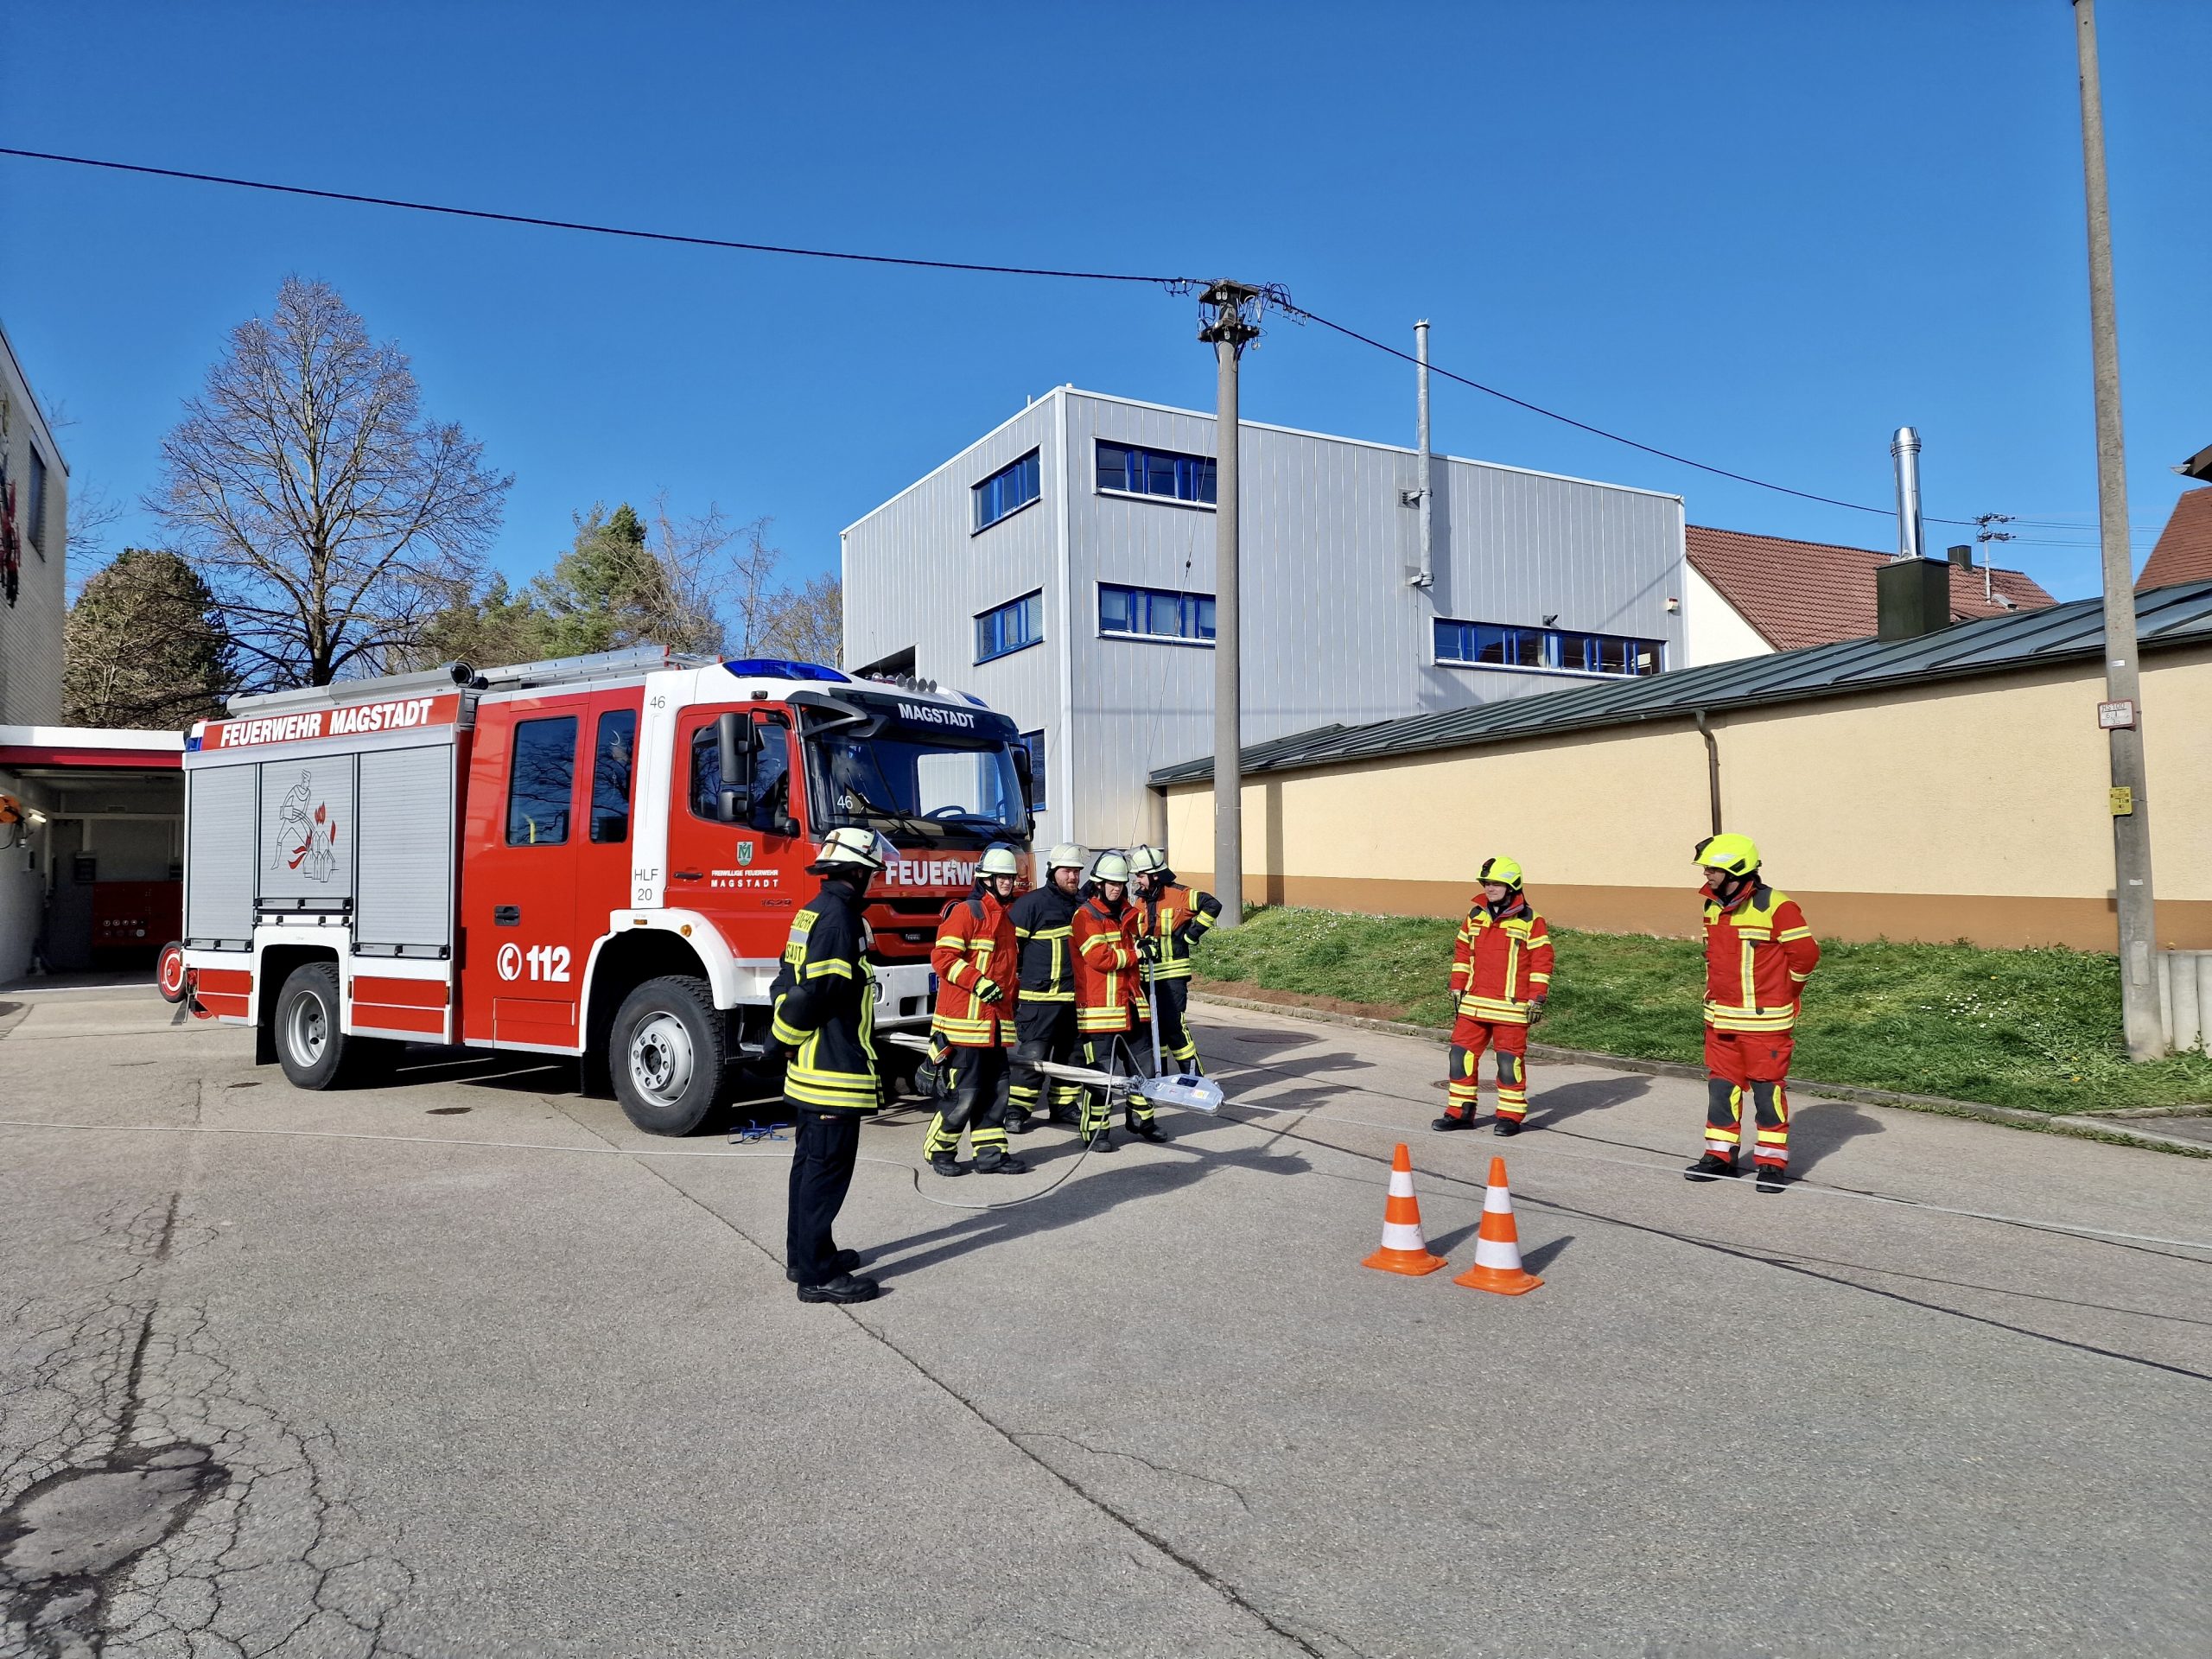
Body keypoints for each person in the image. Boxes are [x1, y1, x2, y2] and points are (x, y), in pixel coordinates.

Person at [772, 826, 892, 1305]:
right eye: (871, 873)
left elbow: (785, 980)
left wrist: (784, 1041)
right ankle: (818, 1276)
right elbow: (814, 994)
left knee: (808, 1169)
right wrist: (782, 1040)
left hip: (812, 1068)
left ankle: (805, 1255)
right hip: (832, 1071)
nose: (874, 880)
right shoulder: (840, 920)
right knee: (825, 1175)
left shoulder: (812, 911)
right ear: (857, 873)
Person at [1684, 834, 1821, 1193]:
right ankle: (1719, 1156)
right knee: (1721, 1090)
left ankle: (1771, 1164)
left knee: (1766, 1093)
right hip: (1720, 1019)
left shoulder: (1777, 906)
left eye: (1712, 868)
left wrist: (1787, 992)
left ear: (1736, 869)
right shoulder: (1713, 905)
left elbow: (1806, 956)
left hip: (1765, 1023)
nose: (1706, 874)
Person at [922, 843, 1027, 1177]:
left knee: (997, 1093)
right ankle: (939, 1151)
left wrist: (1016, 1002)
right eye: (1001, 877)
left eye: (1010, 878)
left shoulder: (1006, 920)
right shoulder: (967, 912)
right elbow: (942, 958)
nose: (1007, 883)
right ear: (986, 879)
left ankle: (991, 1155)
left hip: (995, 1026)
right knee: (963, 1095)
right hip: (964, 1025)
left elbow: (1007, 975)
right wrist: (978, 982)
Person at [1432, 856, 1553, 1138]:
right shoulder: (1475, 915)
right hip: (1474, 1003)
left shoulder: (1531, 921)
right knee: (1459, 1057)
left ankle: (1510, 1116)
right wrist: (1457, 986)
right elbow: (1463, 953)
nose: (1489, 888)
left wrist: (1537, 997)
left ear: (1513, 886)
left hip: (1511, 1007)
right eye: (1486, 883)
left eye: (1496, 883)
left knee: (1509, 1064)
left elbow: (1542, 961)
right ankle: (1459, 1113)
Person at [1071, 851, 1157, 1147]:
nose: (1116, 889)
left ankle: (1143, 1121)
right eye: (1111, 883)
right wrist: (1138, 953)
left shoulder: (1128, 914)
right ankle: (1097, 1132)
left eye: (1120, 884)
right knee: (1101, 1078)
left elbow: (1136, 944)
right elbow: (1100, 958)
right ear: (1098, 884)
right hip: (1100, 1012)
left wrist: (1145, 942)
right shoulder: (1085, 916)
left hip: (1131, 1006)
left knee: (1144, 1070)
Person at [1007, 843, 1088, 1133]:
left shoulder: (1082, 906)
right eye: (1067, 871)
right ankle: (1017, 1110)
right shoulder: (1031, 904)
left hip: (1074, 999)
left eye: (1076, 871)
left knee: (1072, 1056)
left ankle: (1064, 1105)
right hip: (1039, 999)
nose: (1073, 877)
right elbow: (1010, 951)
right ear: (1053, 871)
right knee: (1033, 1057)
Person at [1128, 845, 1224, 1076]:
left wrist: (1192, 935)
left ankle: (1194, 1078)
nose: (1137, 880)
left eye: (1140, 875)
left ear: (1155, 875)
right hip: (1147, 976)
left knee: (1173, 1027)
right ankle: (1159, 1077)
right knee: (1154, 1030)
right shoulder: (1141, 901)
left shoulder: (1180, 894)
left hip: (1172, 974)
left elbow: (1213, 905)